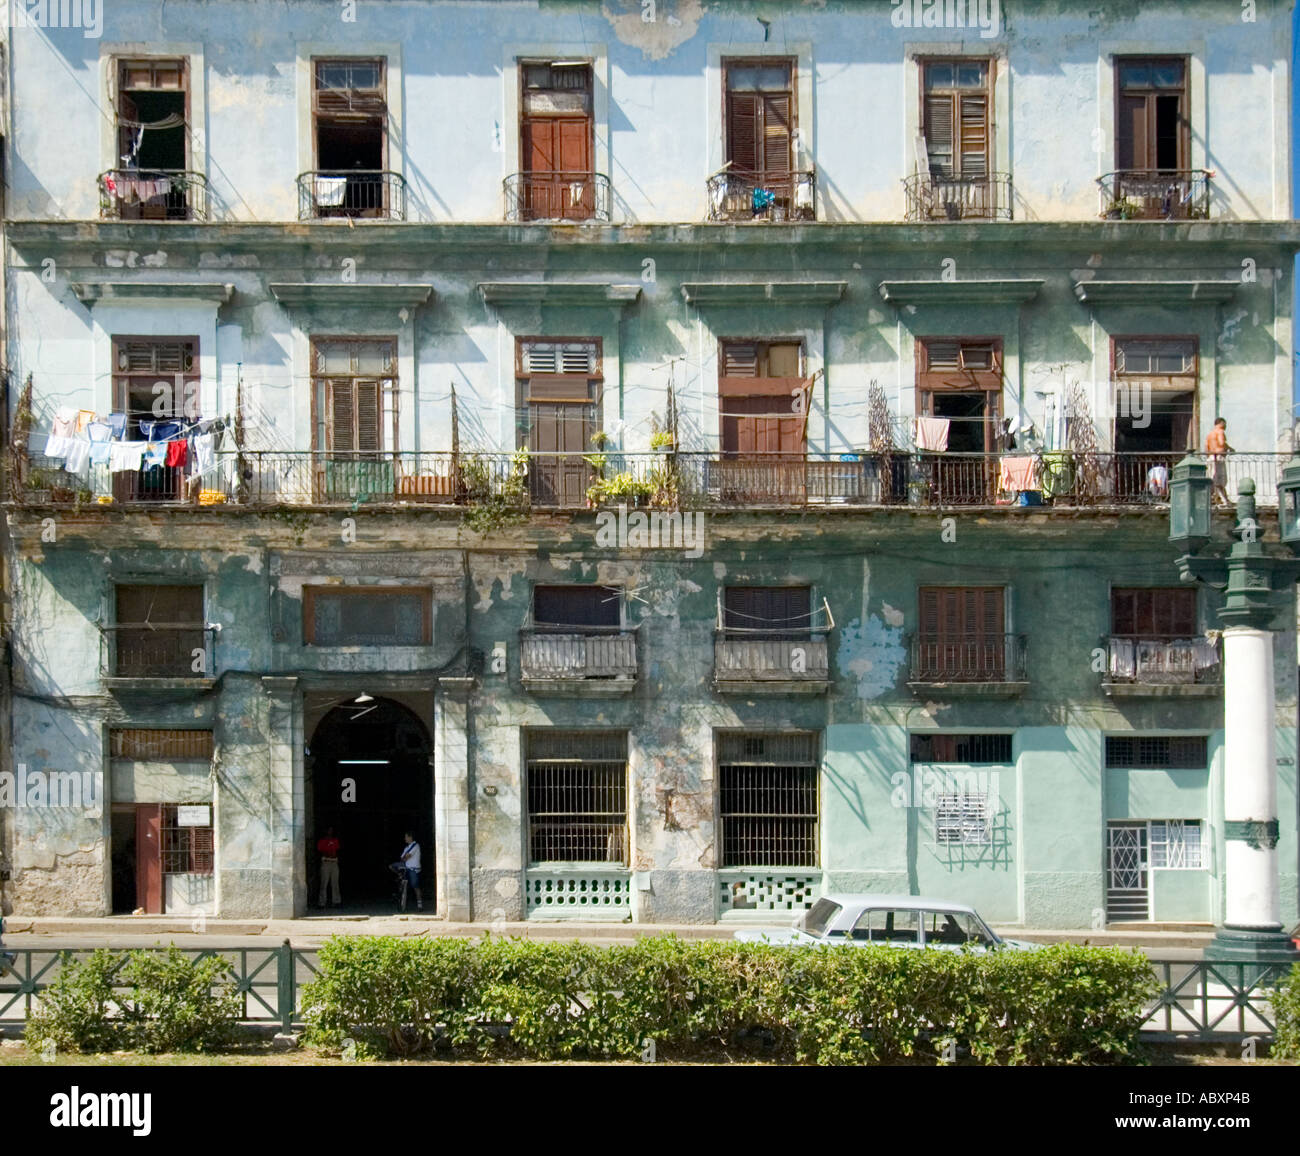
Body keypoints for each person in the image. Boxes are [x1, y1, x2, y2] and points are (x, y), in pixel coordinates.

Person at [390, 831, 423, 911]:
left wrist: (405, 857)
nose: (405, 839)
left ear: (410, 837)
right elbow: (402, 858)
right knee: (391, 866)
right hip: (406, 866)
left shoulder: (416, 846)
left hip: (413, 869)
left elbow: (406, 857)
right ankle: (400, 875)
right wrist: (405, 857)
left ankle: (420, 905)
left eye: (406, 837)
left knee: (415, 886)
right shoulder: (406, 848)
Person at [1205, 417, 1234, 506]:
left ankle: (1217, 498)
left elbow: (1206, 447)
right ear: (1221, 423)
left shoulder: (1209, 435)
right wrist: (1228, 449)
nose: (1225, 426)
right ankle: (1224, 500)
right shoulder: (1220, 432)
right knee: (1221, 480)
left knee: (1212, 479)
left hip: (1210, 457)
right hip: (1219, 458)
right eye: (1225, 424)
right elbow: (1221, 443)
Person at [317, 826, 342, 907]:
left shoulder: (335, 840)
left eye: (331, 830)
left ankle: (336, 901)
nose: (329, 832)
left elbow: (337, 851)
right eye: (328, 830)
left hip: (334, 862)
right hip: (325, 862)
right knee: (324, 883)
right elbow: (320, 852)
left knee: (335, 883)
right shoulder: (322, 841)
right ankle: (322, 902)